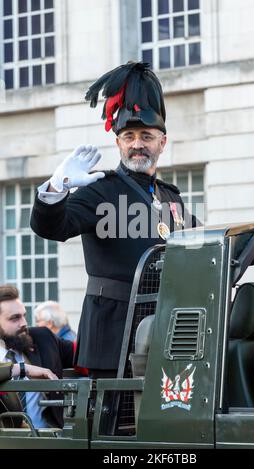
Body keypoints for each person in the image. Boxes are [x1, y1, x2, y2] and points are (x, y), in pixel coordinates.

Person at [30, 62, 199, 380]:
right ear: (118, 142)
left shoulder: (169, 196)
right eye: (129, 136)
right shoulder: (99, 189)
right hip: (111, 336)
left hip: (162, 332)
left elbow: (204, 241)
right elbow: (52, 227)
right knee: (116, 426)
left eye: (146, 136)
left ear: (162, 142)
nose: (138, 144)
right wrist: (55, 188)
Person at [0, 285, 74, 428]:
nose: (24, 323)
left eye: (24, 315)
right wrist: (22, 369)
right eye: (14, 318)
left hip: (50, 439)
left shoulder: (42, 338)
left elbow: (84, 355)